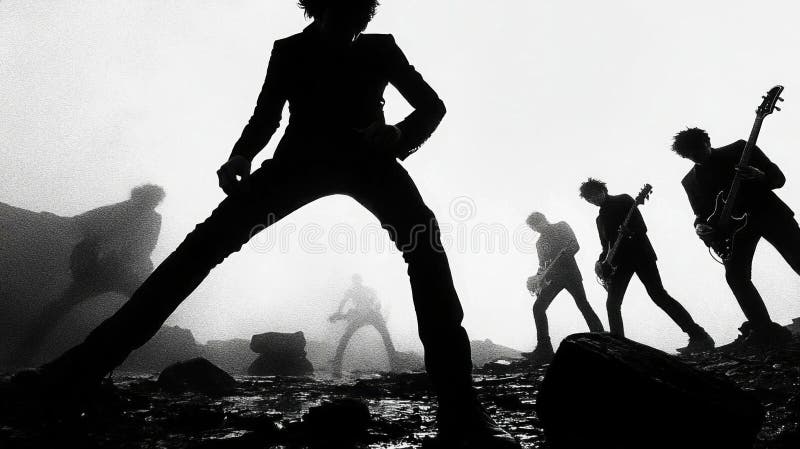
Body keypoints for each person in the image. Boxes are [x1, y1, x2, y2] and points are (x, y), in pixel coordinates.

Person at [29, 1, 518, 446]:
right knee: (201, 249)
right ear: (322, 3)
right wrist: (241, 155)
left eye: (362, 9)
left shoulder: (380, 48)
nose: (358, 19)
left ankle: (459, 404)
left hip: (369, 160)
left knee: (424, 247)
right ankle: (83, 368)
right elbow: (267, 112)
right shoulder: (289, 51)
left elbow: (432, 106)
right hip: (295, 164)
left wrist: (396, 134)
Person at [673, 127, 797, 347]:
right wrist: (701, 227)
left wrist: (760, 176)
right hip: (736, 231)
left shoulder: (741, 148)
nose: (696, 156)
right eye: (690, 155)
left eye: (698, 149)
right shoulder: (689, 181)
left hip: (770, 215)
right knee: (736, 277)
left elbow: (779, 178)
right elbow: (700, 214)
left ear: (707, 141)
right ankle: (765, 331)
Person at [16, 184, 165, 365]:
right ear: (141, 197)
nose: (149, 204)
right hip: (100, 271)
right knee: (59, 307)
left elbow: (145, 249)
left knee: (59, 307)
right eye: (149, 200)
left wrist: (139, 262)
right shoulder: (120, 211)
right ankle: (25, 353)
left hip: (115, 271)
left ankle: (25, 353)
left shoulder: (147, 218)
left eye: (153, 201)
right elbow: (79, 222)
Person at [579, 178, 714, 353]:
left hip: (641, 256)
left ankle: (699, 336)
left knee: (659, 295)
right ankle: (620, 347)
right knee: (612, 304)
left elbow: (642, 228)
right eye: (589, 199)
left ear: (603, 190)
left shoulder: (624, 200)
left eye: (595, 194)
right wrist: (600, 262)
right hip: (621, 264)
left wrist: (630, 233)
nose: (593, 200)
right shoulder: (600, 219)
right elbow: (607, 246)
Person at [523, 212, 604, 363]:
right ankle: (544, 348)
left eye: (536, 225)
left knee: (583, 304)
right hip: (553, 280)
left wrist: (565, 254)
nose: (535, 230)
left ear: (543, 220)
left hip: (571, 274)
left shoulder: (562, 226)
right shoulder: (539, 243)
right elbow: (542, 265)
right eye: (533, 228)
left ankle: (601, 338)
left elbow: (575, 245)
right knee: (538, 308)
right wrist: (536, 279)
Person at [329, 274, 396, 375]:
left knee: (345, 338)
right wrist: (339, 312)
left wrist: (339, 312)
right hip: (367, 315)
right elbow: (376, 301)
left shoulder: (358, 290)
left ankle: (336, 364)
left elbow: (376, 301)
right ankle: (395, 363)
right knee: (386, 338)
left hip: (367, 314)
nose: (356, 282)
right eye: (355, 281)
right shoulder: (358, 290)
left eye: (357, 280)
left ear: (358, 281)